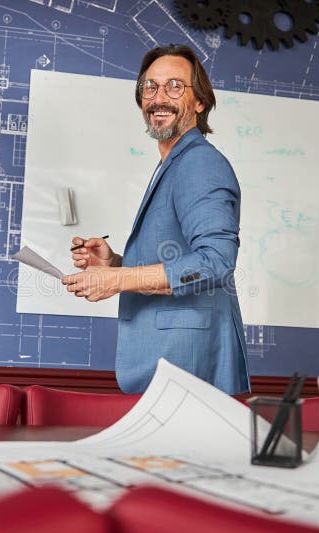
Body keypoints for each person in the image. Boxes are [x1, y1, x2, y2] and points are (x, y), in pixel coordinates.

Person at [61, 44, 249, 395]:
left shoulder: (200, 163)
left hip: (188, 366)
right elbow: (176, 261)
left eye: (175, 86)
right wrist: (116, 262)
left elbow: (216, 262)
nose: (159, 97)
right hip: (164, 365)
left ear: (199, 102)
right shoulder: (173, 164)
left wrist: (117, 279)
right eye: (150, 87)